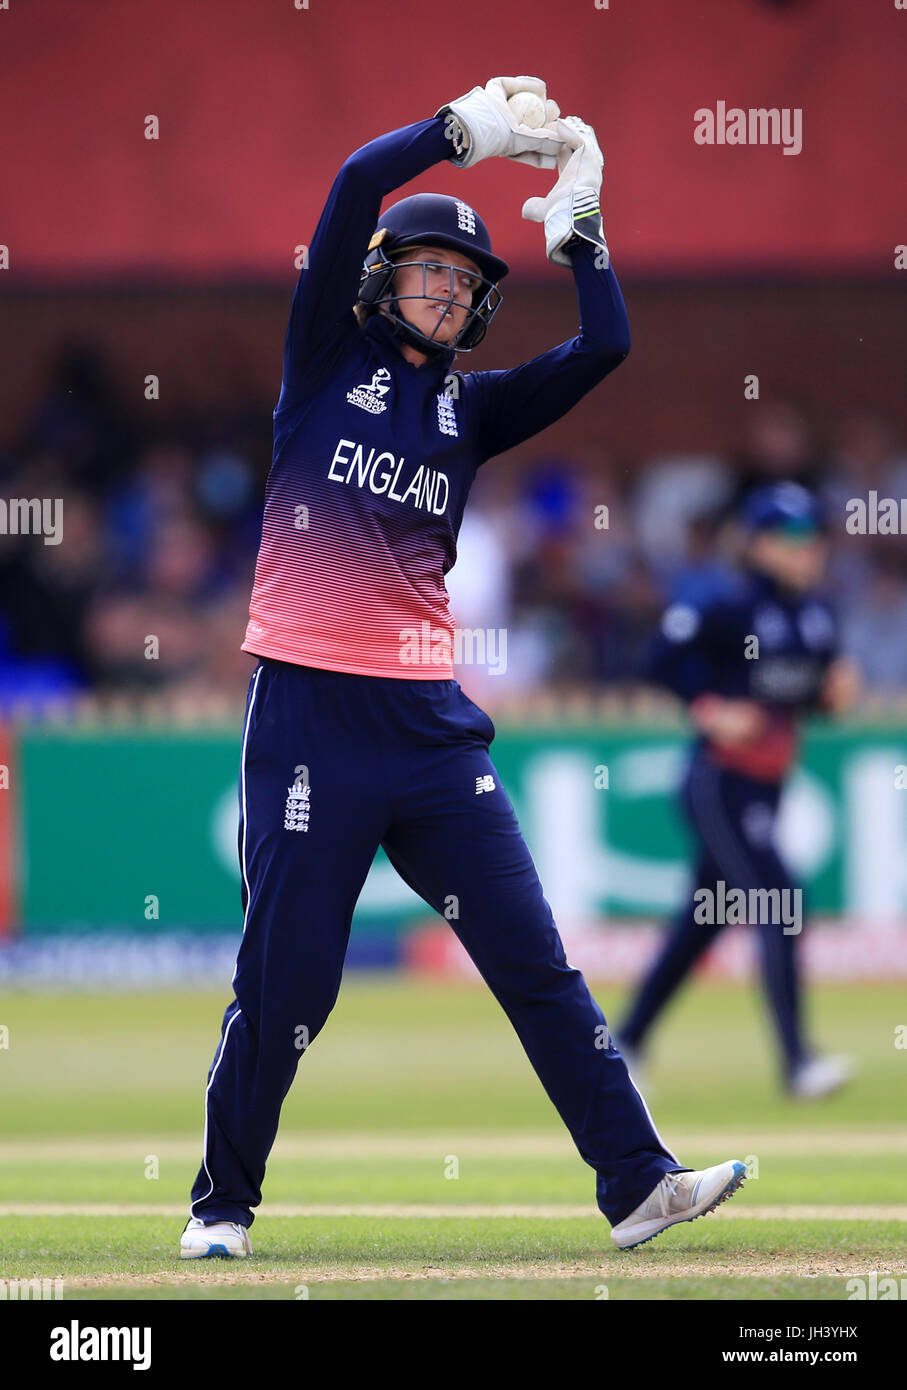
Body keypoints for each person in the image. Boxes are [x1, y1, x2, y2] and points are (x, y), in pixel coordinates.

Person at [179, 75, 746, 1260]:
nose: (445, 292)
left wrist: (581, 233)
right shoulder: (321, 361)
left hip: (432, 734)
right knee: (291, 988)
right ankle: (221, 1205)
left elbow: (609, 342)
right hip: (310, 717)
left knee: (534, 959)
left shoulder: (472, 413)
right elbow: (350, 184)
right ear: (387, 277)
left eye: (465, 282)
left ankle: (636, 1183)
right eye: (429, 271)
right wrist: (456, 136)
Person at [616, 482, 860, 1098]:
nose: (810, 551)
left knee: (706, 918)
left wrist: (834, 695)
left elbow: (813, 694)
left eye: (814, 537)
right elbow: (658, 660)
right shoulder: (725, 604)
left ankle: (627, 1043)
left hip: (768, 784)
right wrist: (708, 708)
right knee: (782, 899)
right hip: (720, 781)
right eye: (794, 538)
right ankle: (798, 1063)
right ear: (757, 545)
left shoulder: (815, 613)